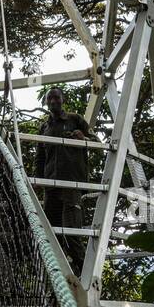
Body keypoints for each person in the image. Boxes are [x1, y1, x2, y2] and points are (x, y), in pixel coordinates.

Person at [35, 86, 96, 274]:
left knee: (71, 231)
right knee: (51, 234)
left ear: (63, 99)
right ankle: (61, 273)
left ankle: (85, 272)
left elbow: (97, 142)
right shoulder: (44, 128)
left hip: (71, 183)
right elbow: (40, 158)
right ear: (46, 102)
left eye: (56, 98)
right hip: (50, 186)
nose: (53, 101)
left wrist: (83, 137)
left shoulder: (74, 120)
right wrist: (38, 183)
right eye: (49, 98)